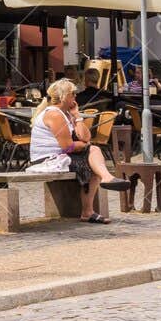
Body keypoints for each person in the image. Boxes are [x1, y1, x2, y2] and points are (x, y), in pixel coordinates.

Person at [28, 77, 125, 223]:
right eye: (72, 94)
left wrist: (77, 116)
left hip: (61, 156)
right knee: (93, 156)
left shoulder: (66, 113)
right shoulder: (54, 114)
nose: (75, 96)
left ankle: (94, 199)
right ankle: (89, 208)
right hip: (48, 160)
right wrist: (84, 146)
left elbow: (86, 137)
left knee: (94, 156)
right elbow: (68, 146)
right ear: (63, 97)